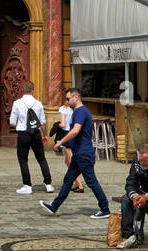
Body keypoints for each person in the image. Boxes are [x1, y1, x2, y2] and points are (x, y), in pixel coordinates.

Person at [39, 88, 110, 219]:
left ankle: (105, 209)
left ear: (76, 97)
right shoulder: (79, 111)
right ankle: (54, 206)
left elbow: (75, 131)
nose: (66, 101)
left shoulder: (81, 111)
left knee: (91, 181)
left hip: (84, 153)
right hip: (79, 153)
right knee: (68, 180)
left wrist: (60, 142)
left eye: (68, 99)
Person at [9, 81, 54, 195]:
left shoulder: (17, 103)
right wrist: (44, 135)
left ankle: (27, 185)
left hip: (23, 134)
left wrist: (20, 124)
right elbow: (42, 123)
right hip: (36, 133)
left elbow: (12, 121)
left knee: (23, 160)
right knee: (41, 158)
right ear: (33, 90)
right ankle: (48, 184)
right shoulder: (38, 104)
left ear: (22, 90)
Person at [49, 90, 84, 193]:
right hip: (75, 134)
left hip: (66, 135)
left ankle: (79, 185)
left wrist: (56, 124)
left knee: (70, 162)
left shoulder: (63, 109)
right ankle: (75, 183)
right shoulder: (76, 109)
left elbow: (63, 125)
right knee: (68, 161)